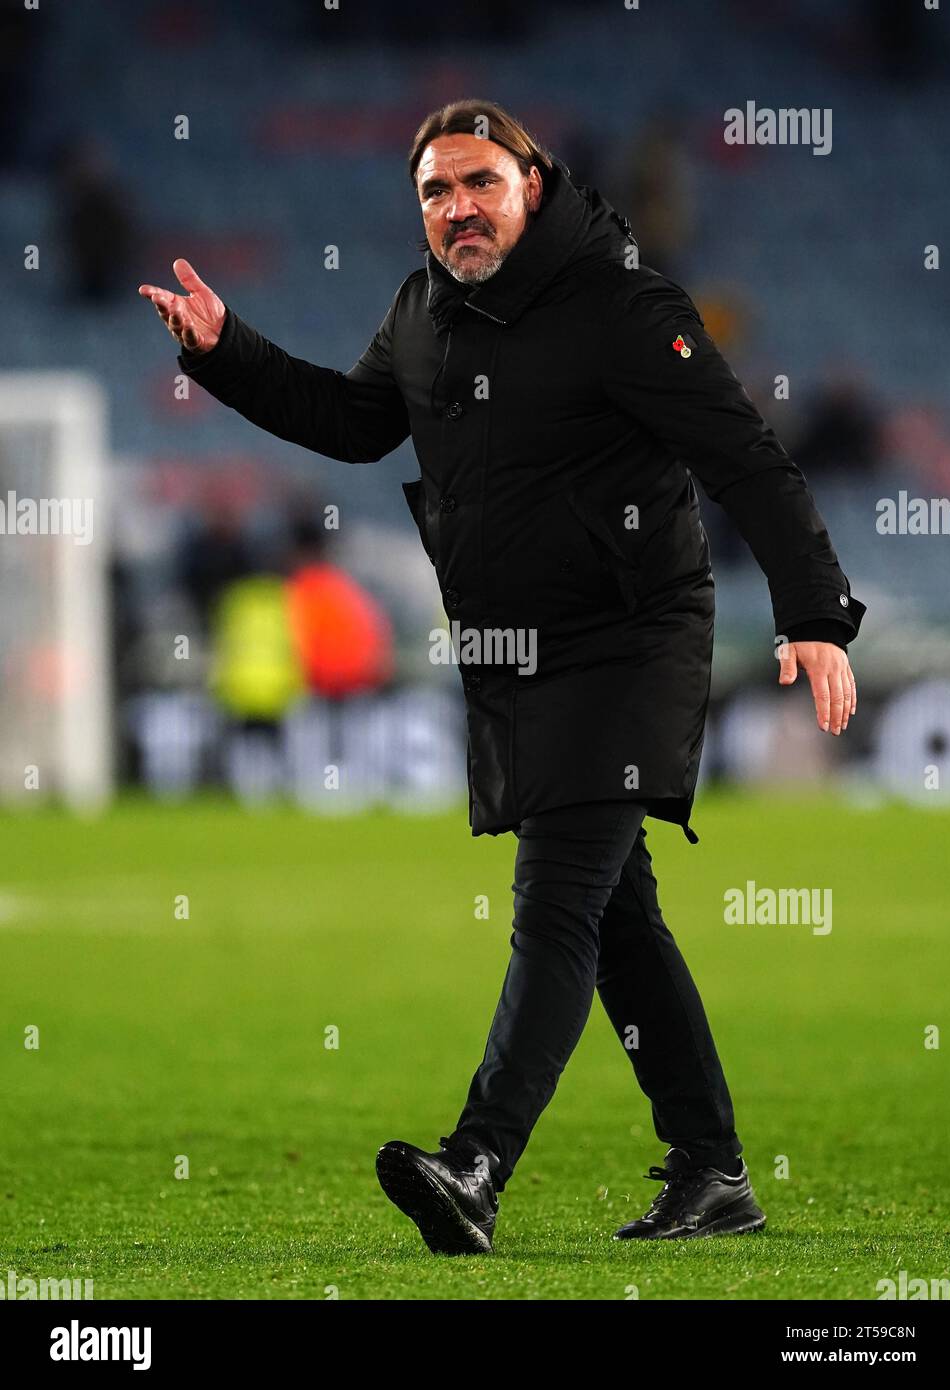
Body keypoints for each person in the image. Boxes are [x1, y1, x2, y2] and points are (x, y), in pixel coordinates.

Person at [139, 99, 864, 1255]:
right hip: (516, 654)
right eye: (434, 192)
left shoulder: (625, 304)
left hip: (634, 638)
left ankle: (476, 1165)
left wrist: (815, 612)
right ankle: (714, 1170)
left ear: (533, 182)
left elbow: (746, 457)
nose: (457, 208)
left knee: (558, 898)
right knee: (619, 921)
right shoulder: (423, 311)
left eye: (478, 182)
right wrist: (226, 353)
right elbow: (353, 420)